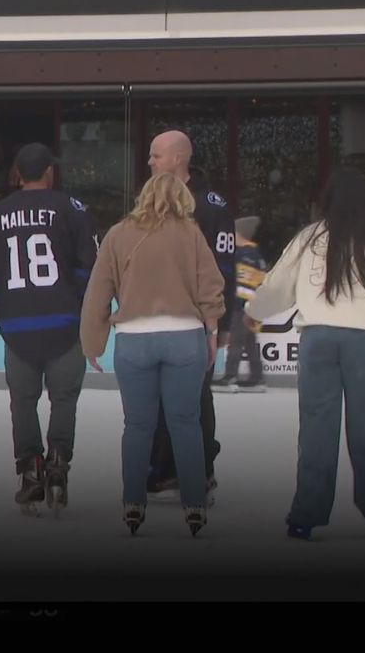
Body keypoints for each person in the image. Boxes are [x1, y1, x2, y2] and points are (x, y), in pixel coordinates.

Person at [244, 167, 365, 541]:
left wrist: (254, 313)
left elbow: (280, 283)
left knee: (317, 427)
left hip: (318, 339)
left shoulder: (309, 237)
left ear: (328, 199)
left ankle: (305, 515)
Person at [80, 173, 224, 537]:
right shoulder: (192, 234)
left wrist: (92, 343)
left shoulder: (117, 234)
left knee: (137, 425)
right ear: (183, 199)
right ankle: (193, 505)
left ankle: (132, 503)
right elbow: (211, 286)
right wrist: (212, 332)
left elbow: (98, 292)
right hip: (184, 337)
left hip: (133, 340)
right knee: (186, 423)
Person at [0, 142, 97, 516]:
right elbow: (88, 268)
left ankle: (30, 470)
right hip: (64, 325)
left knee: (23, 402)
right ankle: (58, 464)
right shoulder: (72, 209)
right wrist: (77, 307)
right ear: (49, 172)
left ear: (18, 173)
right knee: (64, 400)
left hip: (18, 327)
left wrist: (1, 314)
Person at [144, 131, 235, 504]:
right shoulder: (150, 202)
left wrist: (223, 323)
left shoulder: (210, 206)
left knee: (196, 396)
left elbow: (224, 267)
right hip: (153, 319)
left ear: (179, 158)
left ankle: (201, 471)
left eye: (156, 156)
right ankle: (164, 470)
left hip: (197, 321)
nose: (149, 162)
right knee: (157, 398)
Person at [215, 216, 268, 392]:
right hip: (254, 307)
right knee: (250, 342)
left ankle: (230, 376)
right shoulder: (257, 256)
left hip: (242, 307)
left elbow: (238, 282)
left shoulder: (241, 256)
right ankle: (257, 377)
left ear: (239, 234)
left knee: (236, 341)